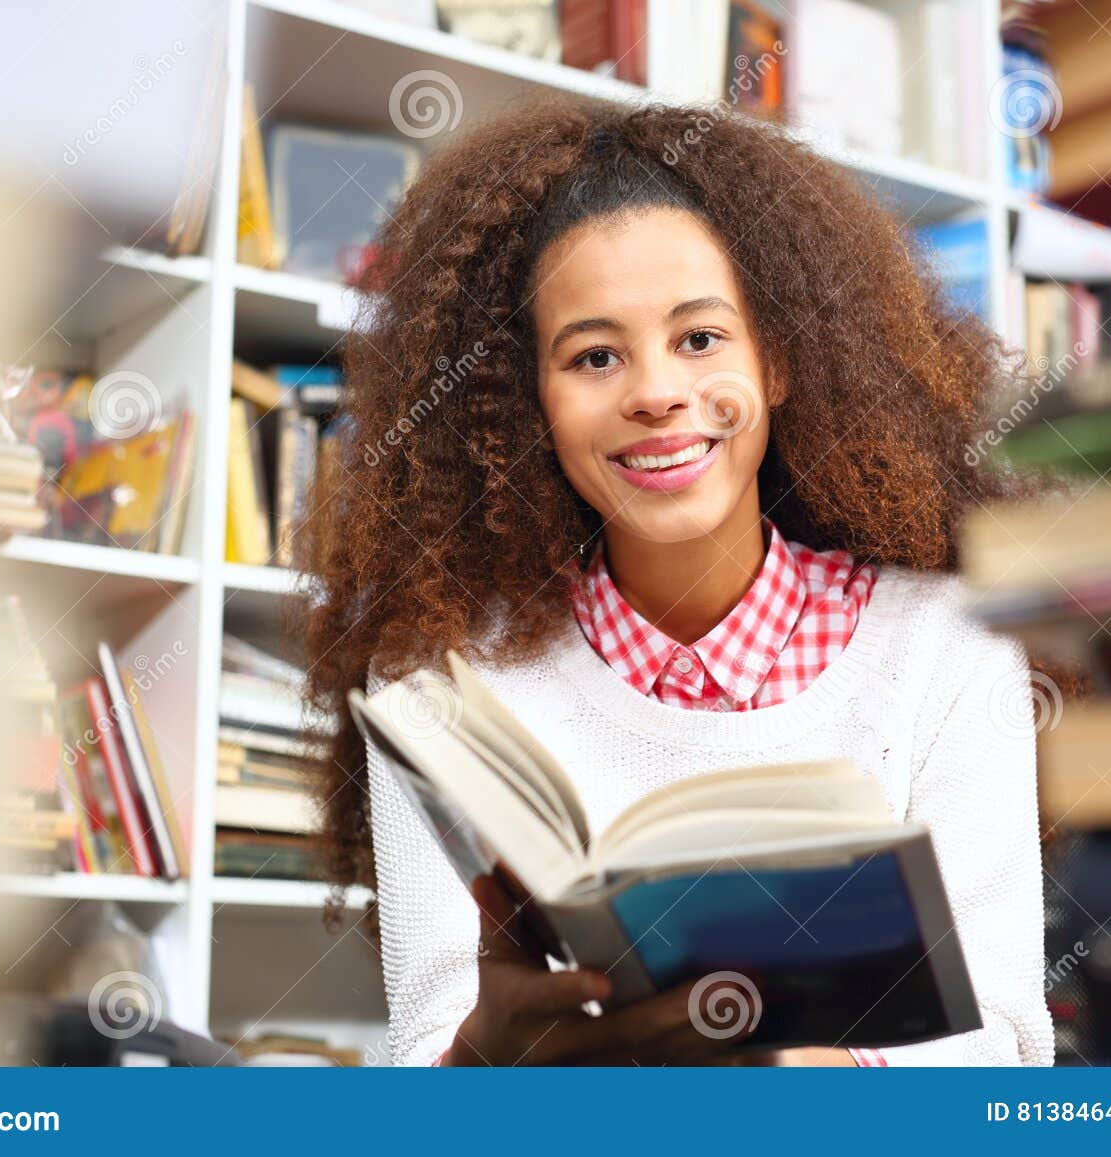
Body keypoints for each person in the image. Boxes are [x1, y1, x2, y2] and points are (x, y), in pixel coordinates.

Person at [296, 100, 1052, 1067]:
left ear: (777, 364)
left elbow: (1008, 1043)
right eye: (594, 356)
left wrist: (824, 1071)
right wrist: (483, 1057)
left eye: (700, 339)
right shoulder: (442, 686)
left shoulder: (948, 645)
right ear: (530, 401)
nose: (654, 392)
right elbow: (422, 1066)